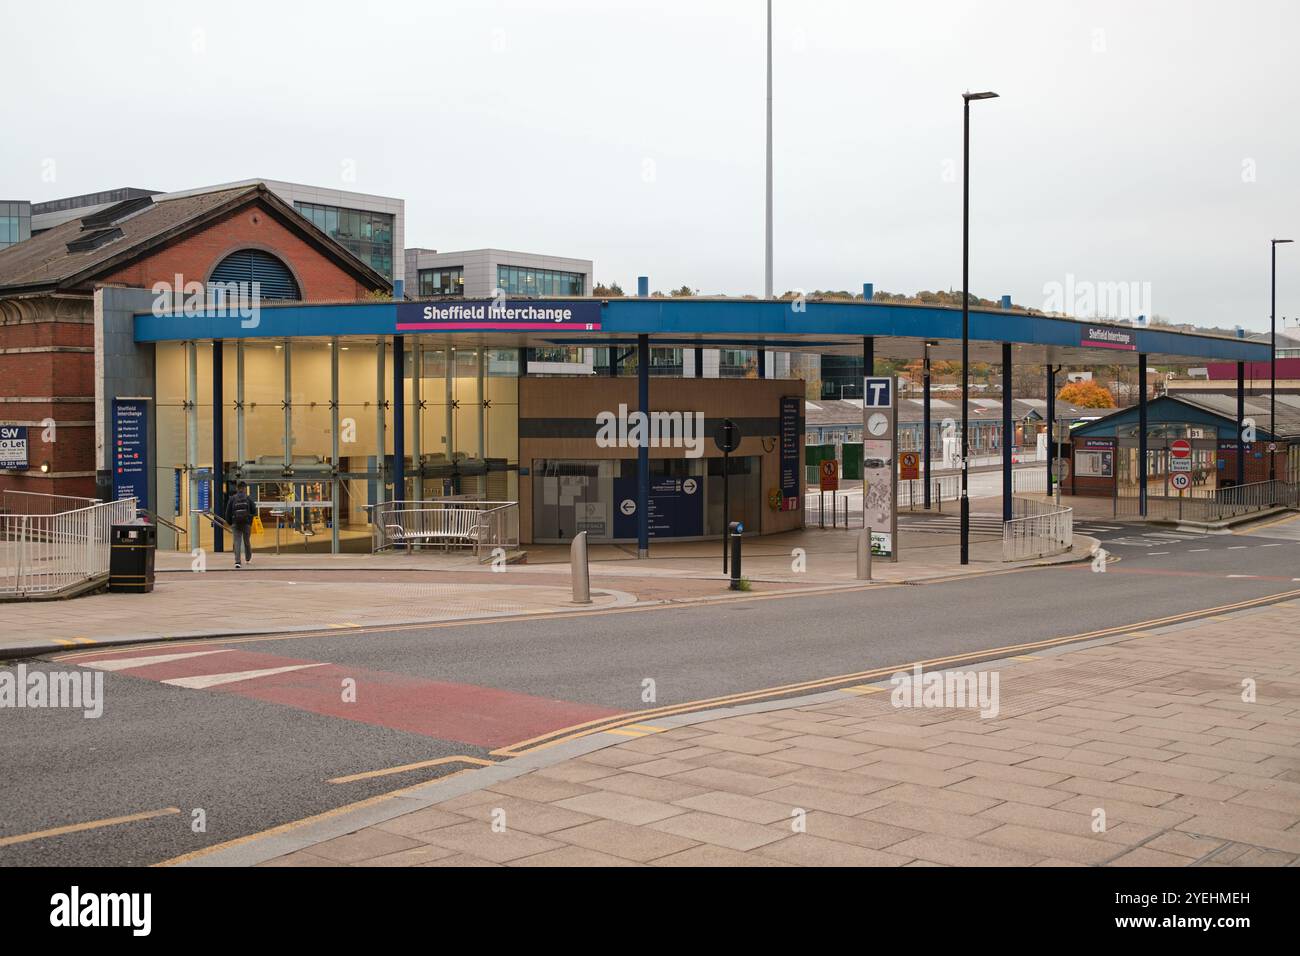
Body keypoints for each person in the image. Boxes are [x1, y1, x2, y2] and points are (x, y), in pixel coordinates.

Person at [224, 481, 256, 569]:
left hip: (236, 523)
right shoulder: (248, 498)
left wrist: (230, 522)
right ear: (245, 488)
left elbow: (227, 512)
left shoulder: (232, 498)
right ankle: (248, 559)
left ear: (237, 488)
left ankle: (237, 562)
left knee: (237, 542)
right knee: (247, 541)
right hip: (246, 523)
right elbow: (254, 511)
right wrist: (249, 521)